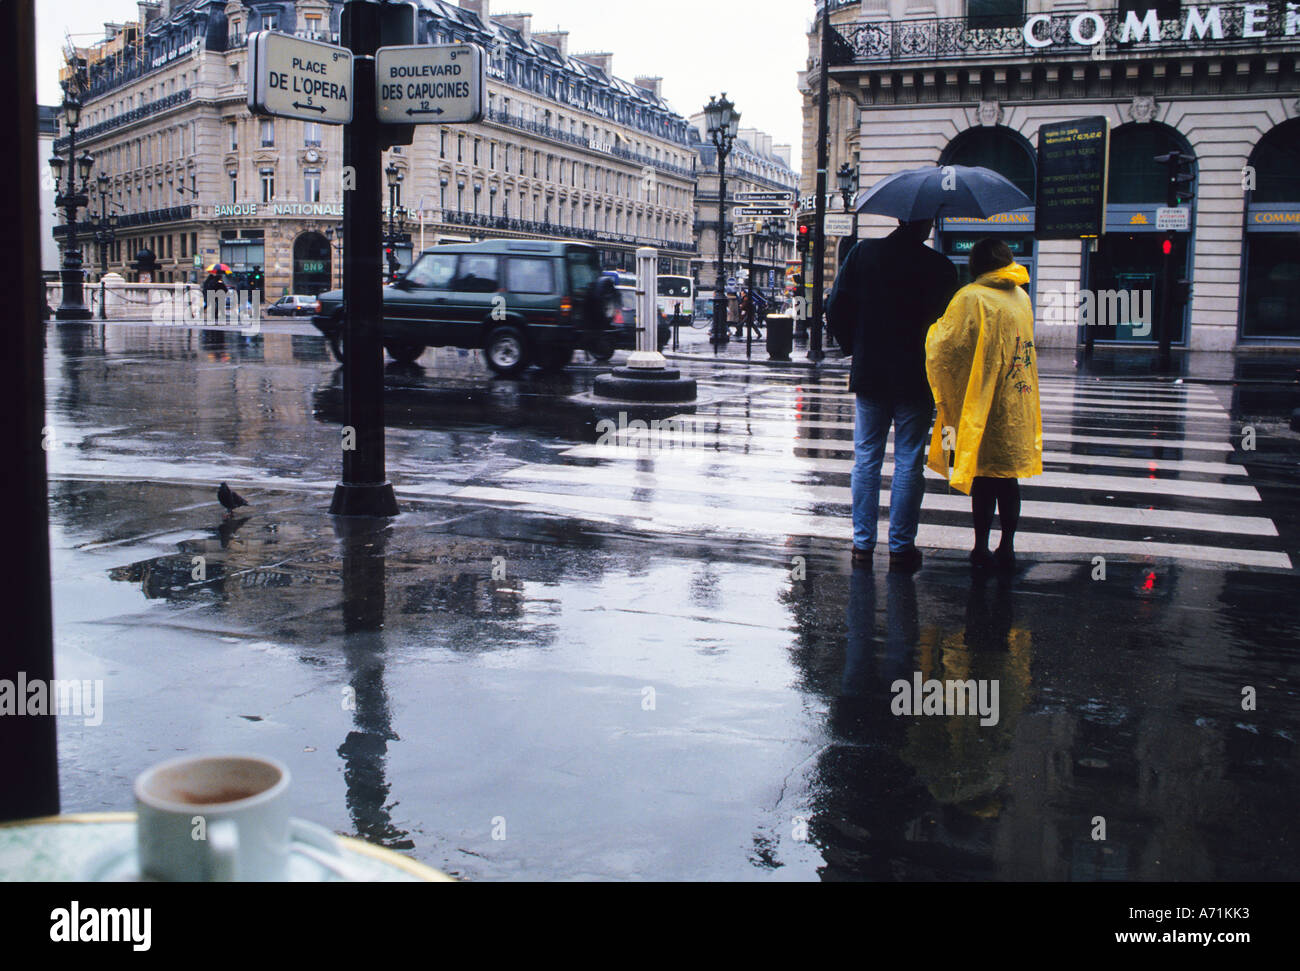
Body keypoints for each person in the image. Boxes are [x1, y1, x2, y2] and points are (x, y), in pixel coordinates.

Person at [829, 219, 958, 573]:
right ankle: (901, 546)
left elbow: (836, 304)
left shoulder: (864, 253)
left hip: (871, 370)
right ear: (926, 224)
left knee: (866, 458)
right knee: (908, 460)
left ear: (899, 219)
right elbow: (950, 327)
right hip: (917, 374)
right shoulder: (940, 267)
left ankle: (862, 544)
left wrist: (853, 346)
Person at [924, 238, 1042, 572]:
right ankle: (1007, 545)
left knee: (984, 477)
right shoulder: (1021, 297)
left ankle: (980, 546)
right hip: (1014, 402)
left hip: (982, 401)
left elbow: (947, 346)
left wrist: (932, 330)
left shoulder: (971, 297)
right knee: (1007, 478)